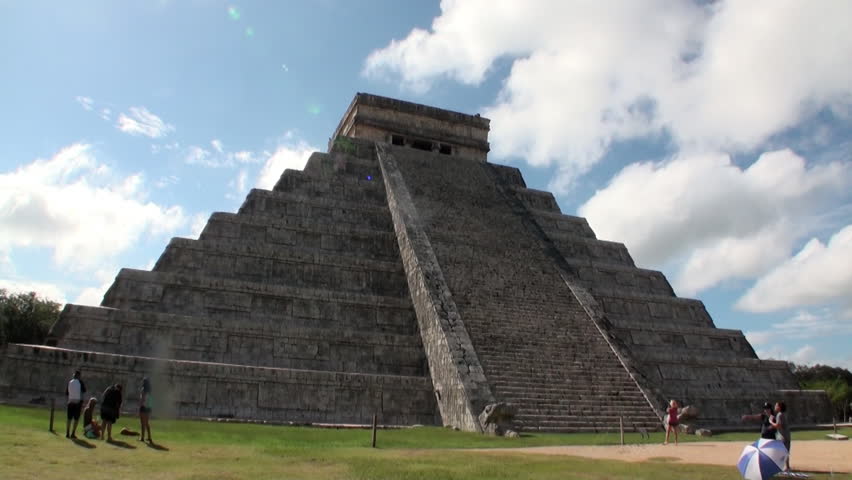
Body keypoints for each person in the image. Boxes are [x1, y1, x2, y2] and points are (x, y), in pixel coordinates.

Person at [770, 401, 791, 472]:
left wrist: (771, 421)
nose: (775, 407)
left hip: (783, 436)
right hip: (787, 435)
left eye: (776, 406)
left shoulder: (779, 415)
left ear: (779, 407)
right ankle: (787, 467)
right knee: (785, 452)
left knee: (781, 452)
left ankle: (784, 467)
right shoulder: (784, 414)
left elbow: (778, 425)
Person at [65, 370, 86, 438]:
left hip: (70, 401)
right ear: (79, 376)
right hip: (77, 402)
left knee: (69, 418)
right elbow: (84, 390)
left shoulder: (70, 382)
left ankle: (67, 433)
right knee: (76, 419)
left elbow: (67, 393)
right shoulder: (80, 382)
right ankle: (73, 433)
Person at [139, 377, 154, 443]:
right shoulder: (150, 391)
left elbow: (142, 399)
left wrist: (140, 405)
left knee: (142, 423)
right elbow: (151, 400)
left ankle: (142, 437)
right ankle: (149, 437)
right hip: (148, 407)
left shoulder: (143, 390)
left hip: (143, 407)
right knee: (147, 423)